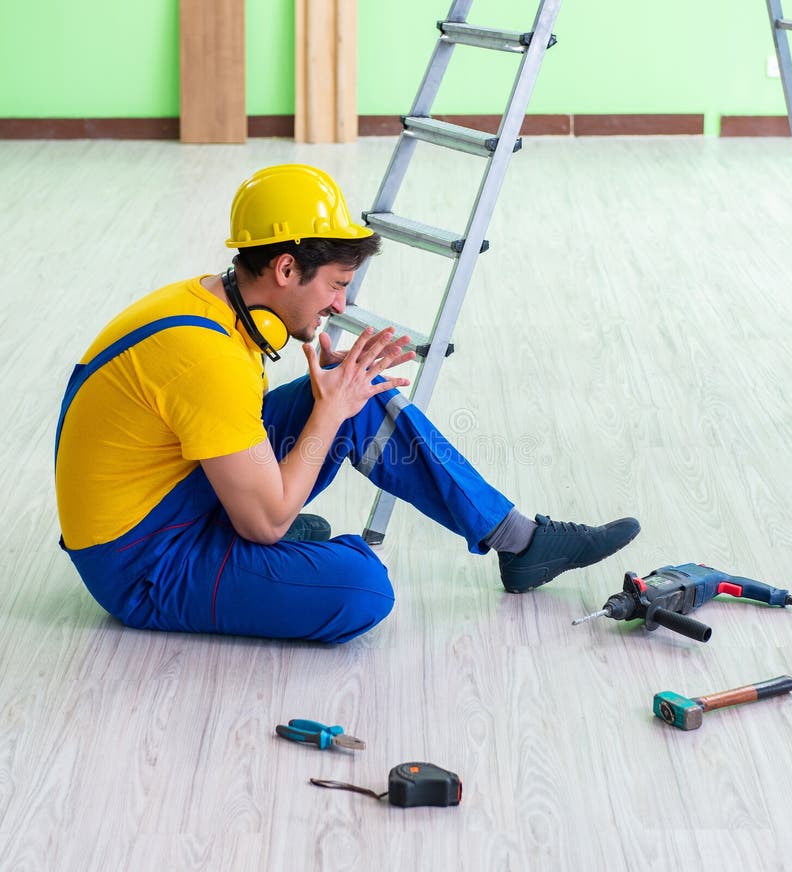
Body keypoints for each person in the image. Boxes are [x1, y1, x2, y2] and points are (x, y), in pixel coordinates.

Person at [54, 164, 640, 644]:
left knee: (351, 386)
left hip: (167, 496)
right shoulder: (208, 358)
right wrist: (324, 418)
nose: (339, 304)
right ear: (286, 268)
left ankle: (521, 541)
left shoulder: (211, 304)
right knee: (363, 590)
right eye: (335, 284)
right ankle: (289, 564)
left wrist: (336, 401)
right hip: (142, 564)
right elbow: (263, 524)